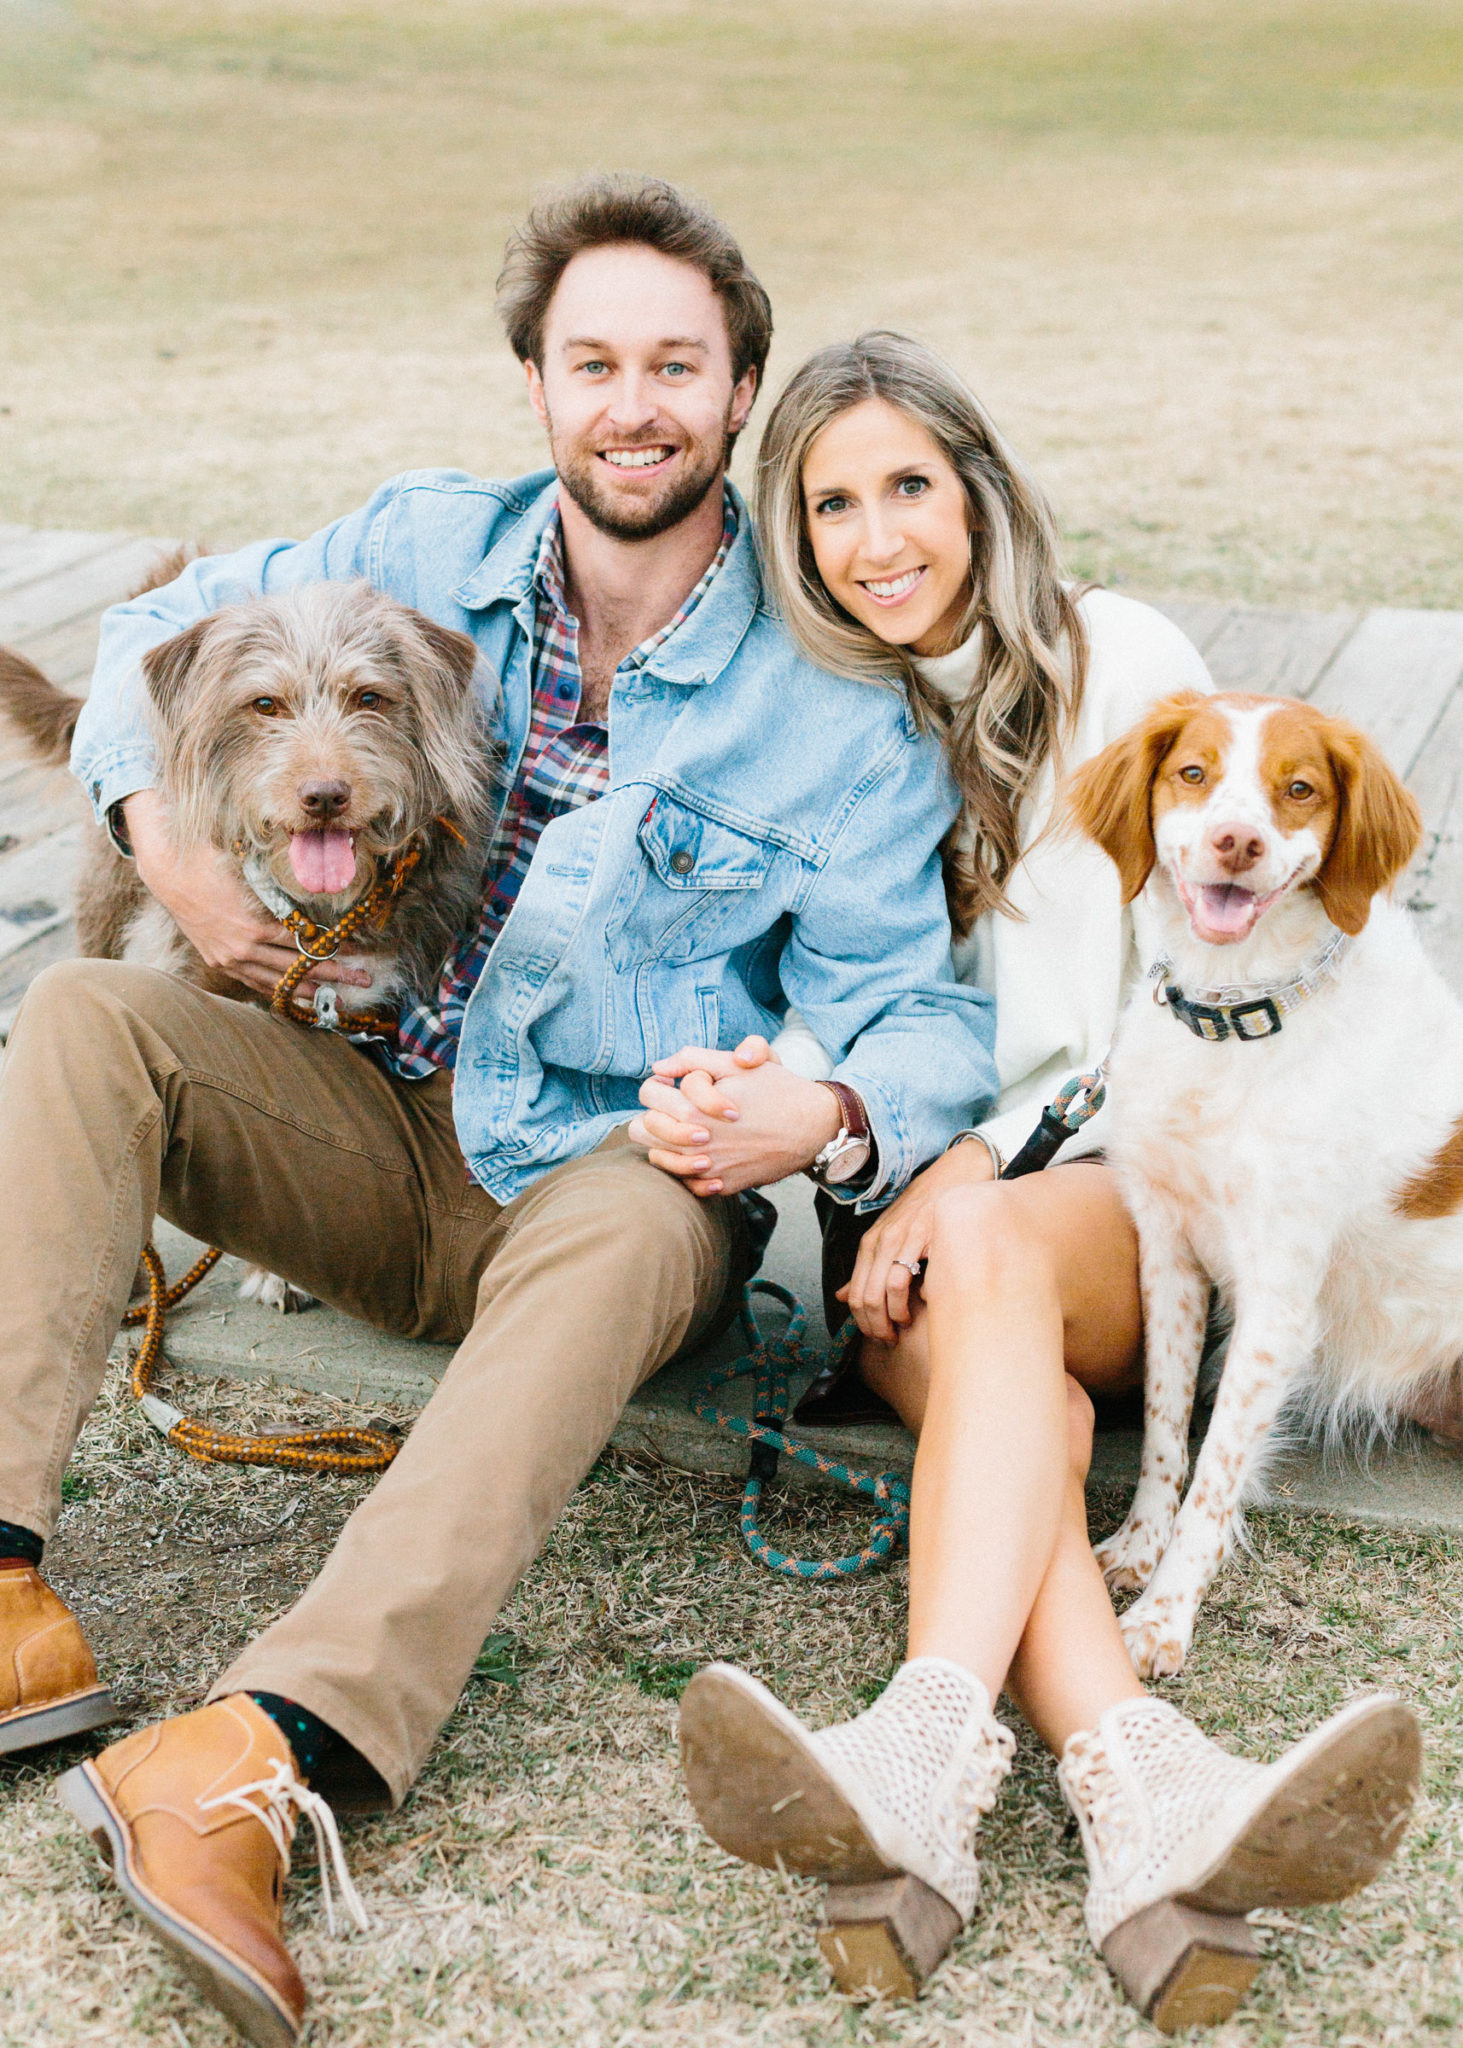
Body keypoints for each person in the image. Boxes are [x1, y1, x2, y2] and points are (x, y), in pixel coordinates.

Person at [0, 193, 997, 2048]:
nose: (634, 407)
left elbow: (931, 1014)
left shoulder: (839, 709)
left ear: (740, 393)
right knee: (80, 1013)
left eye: (676, 369)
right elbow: (150, 634)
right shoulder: (416, 542)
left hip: (608, 1193)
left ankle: (264, 1751)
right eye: (594, 365)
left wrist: (823, 1103)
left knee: (638, 1214)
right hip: (367, 1137)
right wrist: (173, 861)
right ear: (537, 385)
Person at [641, 334, 1420, 2025]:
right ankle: (1142, 1798)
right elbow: (796, 993)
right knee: (1035, 1440)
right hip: (894, 1227)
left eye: (909, 485)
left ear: (980, 495)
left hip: (1095, 1191)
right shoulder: (813, 714)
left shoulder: (1120, 662)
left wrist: (972, 1160)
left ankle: (924, 1742)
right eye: (830, 503)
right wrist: (780, 1095)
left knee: (987, 1244)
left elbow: (1159, 1006)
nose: (876, 538)